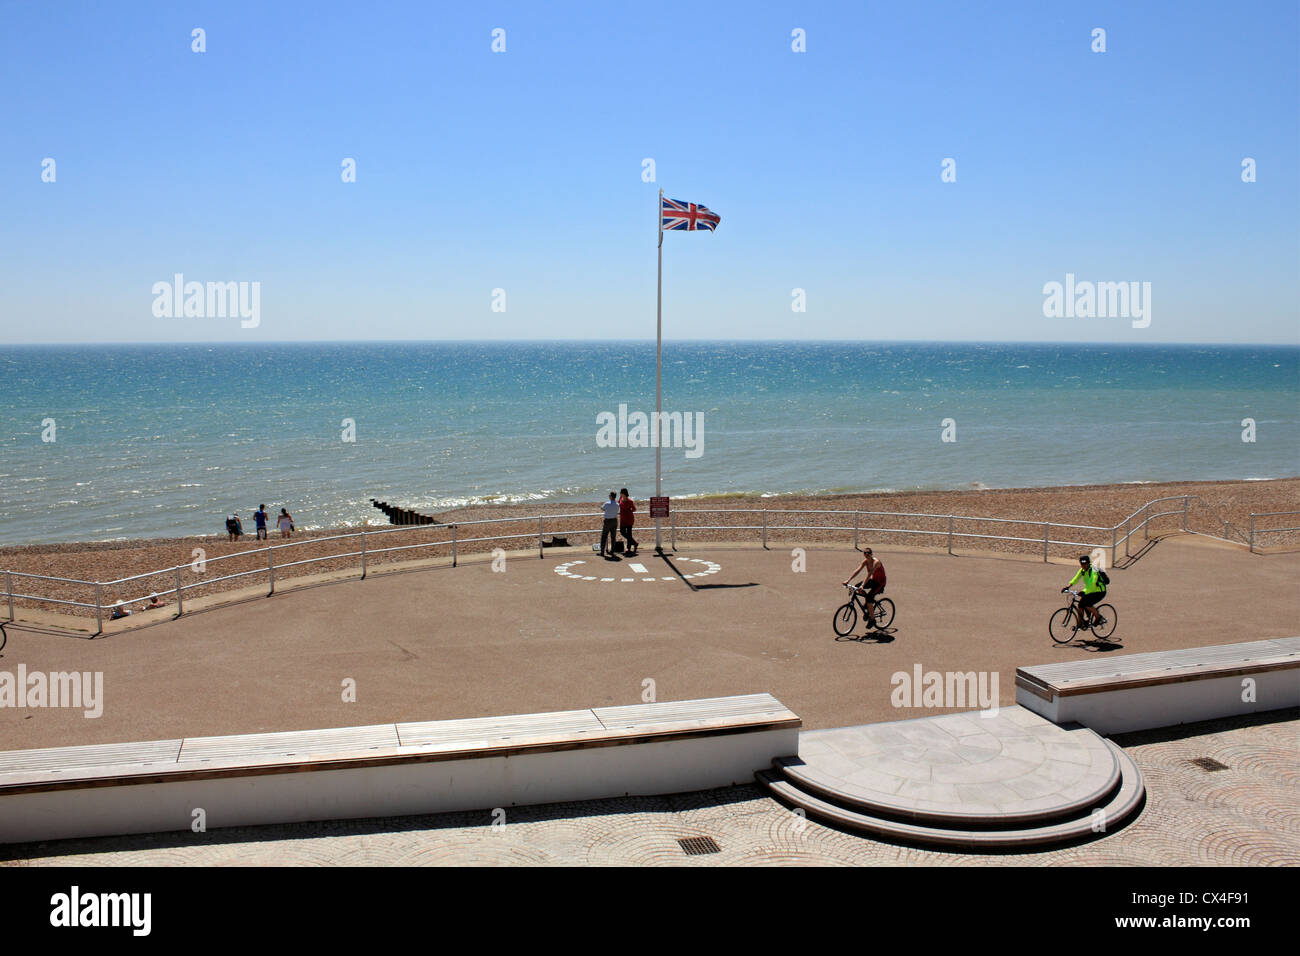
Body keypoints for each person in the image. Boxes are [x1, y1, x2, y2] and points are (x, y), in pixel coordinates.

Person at [843, 547, 886, 623]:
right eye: (865, 553)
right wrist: (848, 580)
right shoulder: (865, 562)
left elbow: (870, 574)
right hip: (873, 580)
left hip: (880, 583)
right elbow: (857, 570)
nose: (866, 554)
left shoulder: (876, 562)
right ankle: (868, 604)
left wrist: (862, 585)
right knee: (856, 587)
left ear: (871, 554)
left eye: (868, 553)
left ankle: (872, 620)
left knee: (869, 598)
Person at [1064, 554, 1107, 628]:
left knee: (1087, 604)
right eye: (1082, 564)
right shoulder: (1082, 570)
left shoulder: (1093, 570)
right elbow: (1076, 578)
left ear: (1088, 563)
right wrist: (1068, 586)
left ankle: (1098, 617)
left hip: (1100, 592)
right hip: (1090, 591)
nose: (1083, 566)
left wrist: (1084, 591)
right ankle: (1080, 624)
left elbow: (1092, 582)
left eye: (1085, 564)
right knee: (1080, 605)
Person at [599, 492, 620, 558]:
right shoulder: (617, 504)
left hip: (608, 521)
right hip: (614, 520)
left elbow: (602, 508)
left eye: (609, 495)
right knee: (613, 537)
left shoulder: (607, 503)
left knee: (604, 536)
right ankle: (612, 551)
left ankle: (602, 552)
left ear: (611, 496)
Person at [618, 488, 638, 556]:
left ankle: (628, 548)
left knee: (629, 534)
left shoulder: (630, 501)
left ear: (624, 493)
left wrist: (629, 511)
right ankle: (634, 543)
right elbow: (618, 504)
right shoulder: (620, 498)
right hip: (622, 519)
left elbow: (634, 509)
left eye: (620, 492)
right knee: (622, 531)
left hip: (629, 519)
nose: (620, 493)